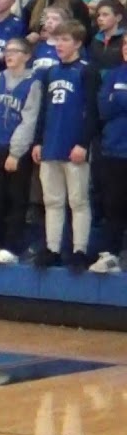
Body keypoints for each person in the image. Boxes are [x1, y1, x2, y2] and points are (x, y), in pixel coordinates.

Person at [32, 21, 99, 268]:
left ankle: (79, 250)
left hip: (75, 147)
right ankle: (52, 248)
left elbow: (93, 111)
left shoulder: (87, 71)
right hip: (51, 144)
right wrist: (38, 141)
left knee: (79, 201)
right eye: (57, 40)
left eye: (65, 40)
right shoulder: (51, 72)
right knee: (53, 201)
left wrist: (83, 143)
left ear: (78, 43)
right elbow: (44, 109)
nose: (59, 44)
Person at [0, 39, 40, 264]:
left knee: (16, 199)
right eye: (7, 51)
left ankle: (12, 248)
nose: (9, 55)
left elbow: (29, 120)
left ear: (26, 55)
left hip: (18, 151)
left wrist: (15, 153)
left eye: (14, 51)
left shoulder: (33, 82)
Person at [94, 38, 127, 272]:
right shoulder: (114, 74)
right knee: (112, 205)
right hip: (114, 148)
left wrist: (119, 100)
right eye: (125, 44)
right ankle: (111, 255)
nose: (126, 49)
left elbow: (114, 102)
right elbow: (104, 108)